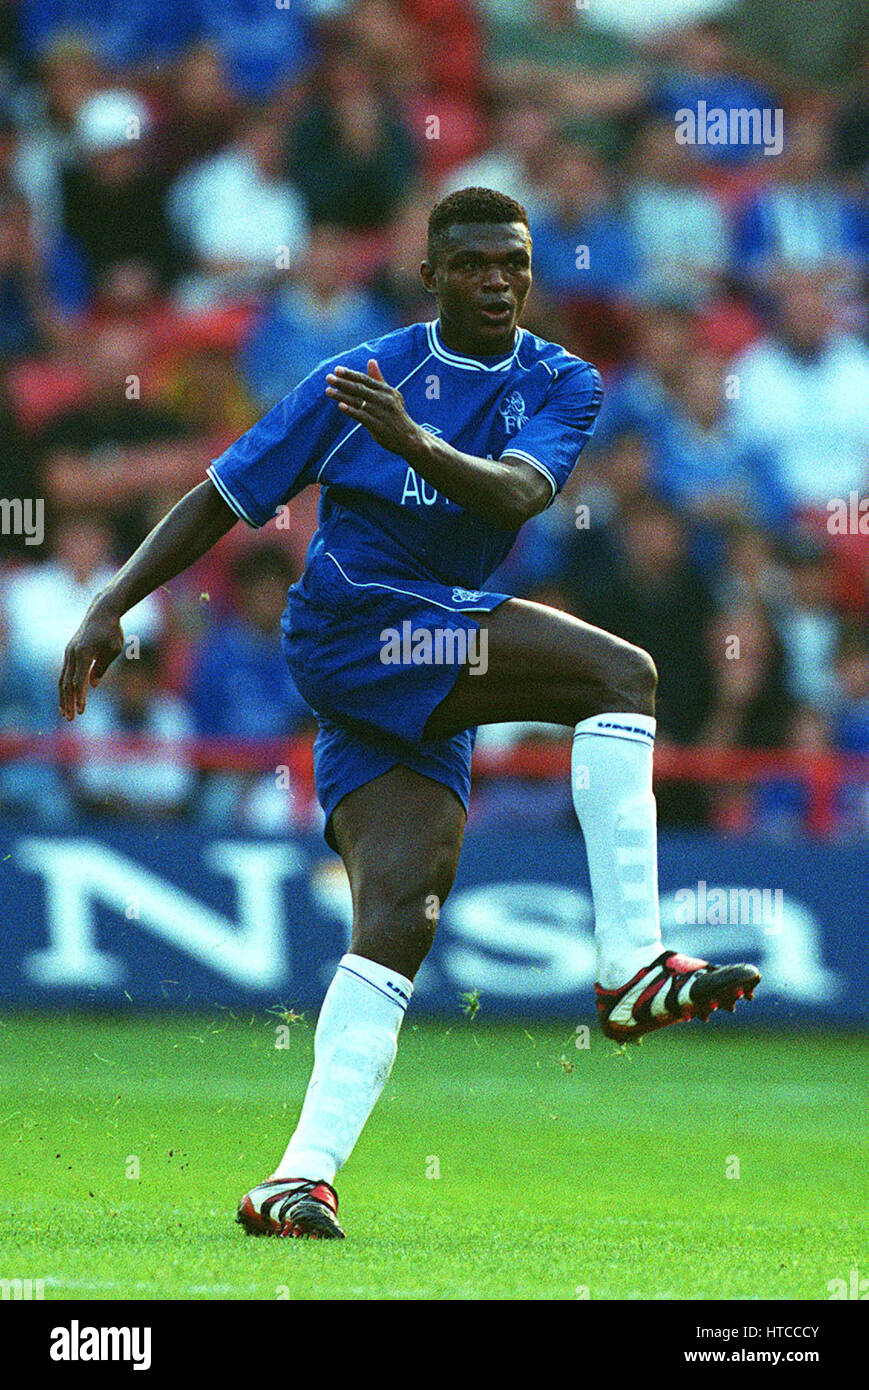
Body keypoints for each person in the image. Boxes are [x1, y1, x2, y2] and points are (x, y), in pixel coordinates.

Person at [59, 187, 760, 1242]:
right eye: (472, 264)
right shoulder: (362, 376)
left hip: (426, 659)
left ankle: (295, 1179)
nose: (496, 282)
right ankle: (630, 966)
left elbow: (517, 497)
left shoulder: (560, 381)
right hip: (357, 629)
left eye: (513, 265)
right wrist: (112, 601)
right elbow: (224, 490)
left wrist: (413, 442)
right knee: (621, 677)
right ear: (429, 274)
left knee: (398, 917)